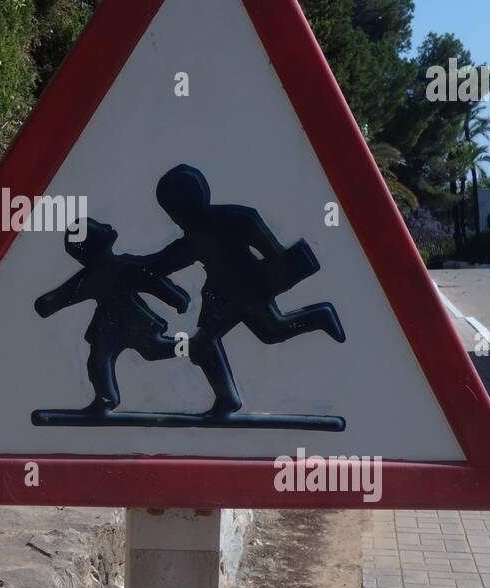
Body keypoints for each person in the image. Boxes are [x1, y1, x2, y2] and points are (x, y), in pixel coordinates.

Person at [143, 164, 344, 416]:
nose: (175, 220)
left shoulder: (227, 222)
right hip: (230, 292)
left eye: (173, 213)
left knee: (221, 339)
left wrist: (268, 279)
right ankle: (318, 317)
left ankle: (228, 398)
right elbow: (165, 261)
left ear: (179, 211)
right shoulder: (220, 225)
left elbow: (273, 251)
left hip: (239, 291)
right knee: (265, 332)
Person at [34, 218, 189, 415]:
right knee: (99, 359)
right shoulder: (93, 275)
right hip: (111, 325)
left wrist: (176, 299)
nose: (107, 227)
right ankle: (106, 399)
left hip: (132, 321)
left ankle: (194, 347)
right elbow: (66, 294)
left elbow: (151, 281)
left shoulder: (115, 268)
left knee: (152, 350)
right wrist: (176, 299)